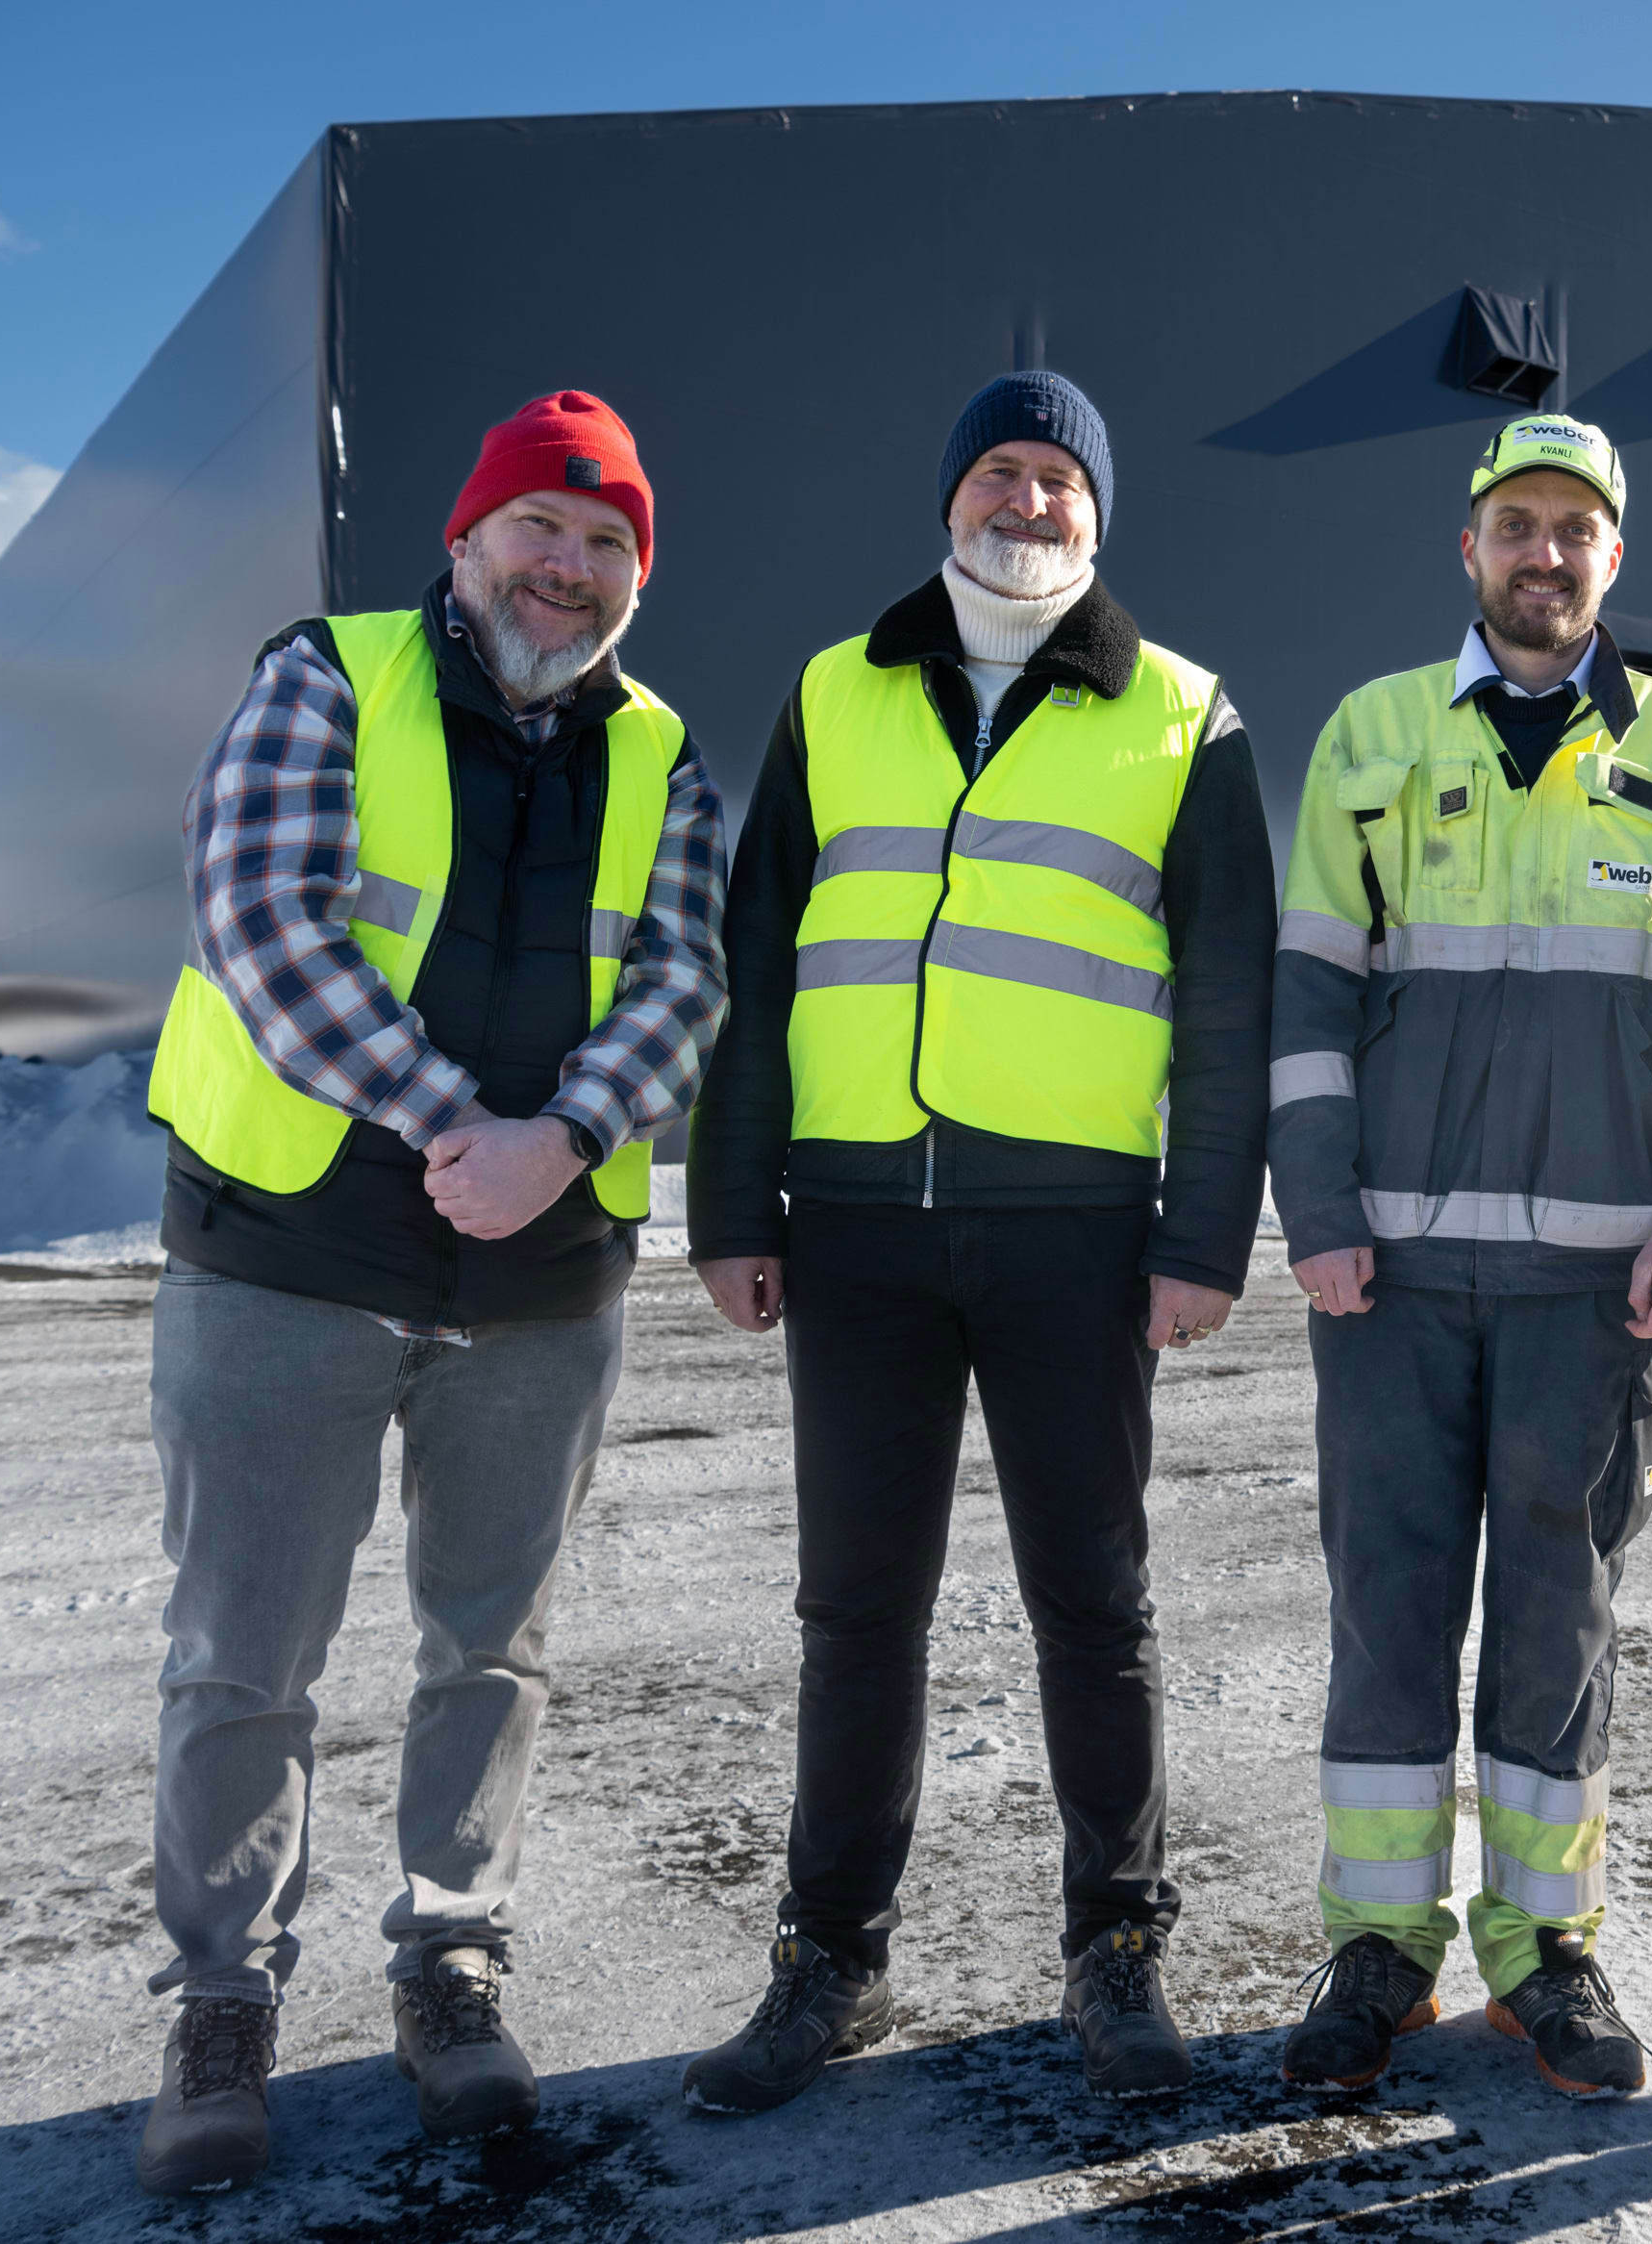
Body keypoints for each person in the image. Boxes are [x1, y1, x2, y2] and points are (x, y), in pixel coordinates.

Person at [134, 390, 726, 2194]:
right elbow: (257, 914)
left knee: (495, 1638)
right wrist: (455, 1117)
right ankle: (223, 2002)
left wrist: (564, 1139)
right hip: (290, 1249)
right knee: (248, 1651)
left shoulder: (667, 752)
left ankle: (451, 1955)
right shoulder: (330, 671)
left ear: (637, 574)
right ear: (467, 541)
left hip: (543, 1270)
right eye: (540, 527)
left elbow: (687, 970)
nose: (570, 566)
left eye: (606, 540)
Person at [680, 371, 1274, 2109]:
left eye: (1060, 481)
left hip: (1076, 1233)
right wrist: (729, 1200)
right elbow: (760, 964)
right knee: (856, 1607)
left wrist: (1203, 1233)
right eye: (1001, 474)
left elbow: (1226, 1002)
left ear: (1101, 516)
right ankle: (831, 1960)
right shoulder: (832, 692)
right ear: (949, 501)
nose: (1030, 504)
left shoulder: (1185, 714)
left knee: (1092, 1603)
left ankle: (1117, 1948)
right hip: (857, 1225)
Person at [1264, 414, 1652, 2100]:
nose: (1543, 553)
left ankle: (1544, 1950)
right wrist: (1321, 1210)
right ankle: (1381, 1947)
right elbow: (1311, 1004)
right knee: (1387, 1609)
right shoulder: (1376, 735)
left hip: (1593, 1289)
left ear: (1612, 556)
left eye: (1575, 528)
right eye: (1515, 525)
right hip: (1393, 1278)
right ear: (1467, 548)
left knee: (1561, 1616)